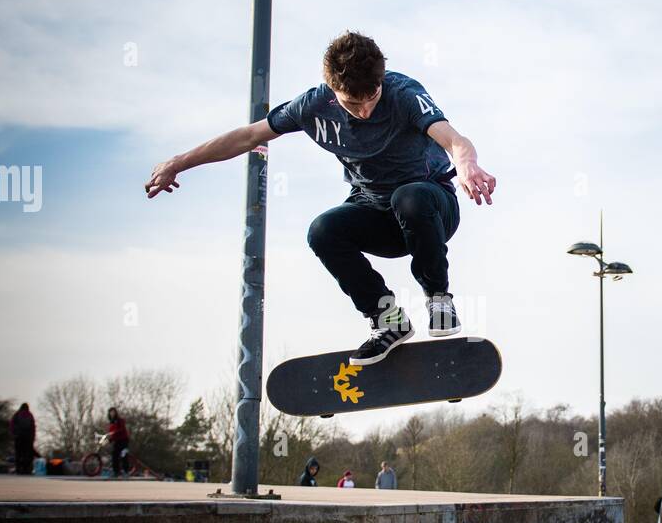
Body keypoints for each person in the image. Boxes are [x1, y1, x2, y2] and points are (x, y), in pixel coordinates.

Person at [145, 31, 496, 366]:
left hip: (430, 208)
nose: (364, 111)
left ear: (381, 80)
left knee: (409, 197)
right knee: (323, 230)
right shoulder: (312, 105)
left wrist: (466, 165)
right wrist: (179, 162)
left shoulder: (403, 93)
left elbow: (453, 139)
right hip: (375, 214)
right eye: (352, 103)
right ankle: (388, 319)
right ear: (333, 89)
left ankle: (438, 298)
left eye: (371, 98)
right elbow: (248, 136)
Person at [10, 403, 36, 475]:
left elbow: (12, 424)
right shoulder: (30, 415)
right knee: (27, 454)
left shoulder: (17, 414)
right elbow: (33, 427)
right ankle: (27, 469)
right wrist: (33, 437)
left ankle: (18, 469)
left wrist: (14, 434)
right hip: (28, 437)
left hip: (19, 437)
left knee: (18, 454)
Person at [107, 407, 130, 479]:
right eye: (111, 413)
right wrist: (109, 440)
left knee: (124, 455)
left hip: (124, 440)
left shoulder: (120, 420)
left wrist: (114, 432)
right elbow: (111, 434)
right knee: (114, 456)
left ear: (115, 413)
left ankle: (126, 472)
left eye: (113, 412)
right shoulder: (111, 422)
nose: (112, 414)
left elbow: (122, 429)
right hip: (117, 441)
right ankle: (116, 472)